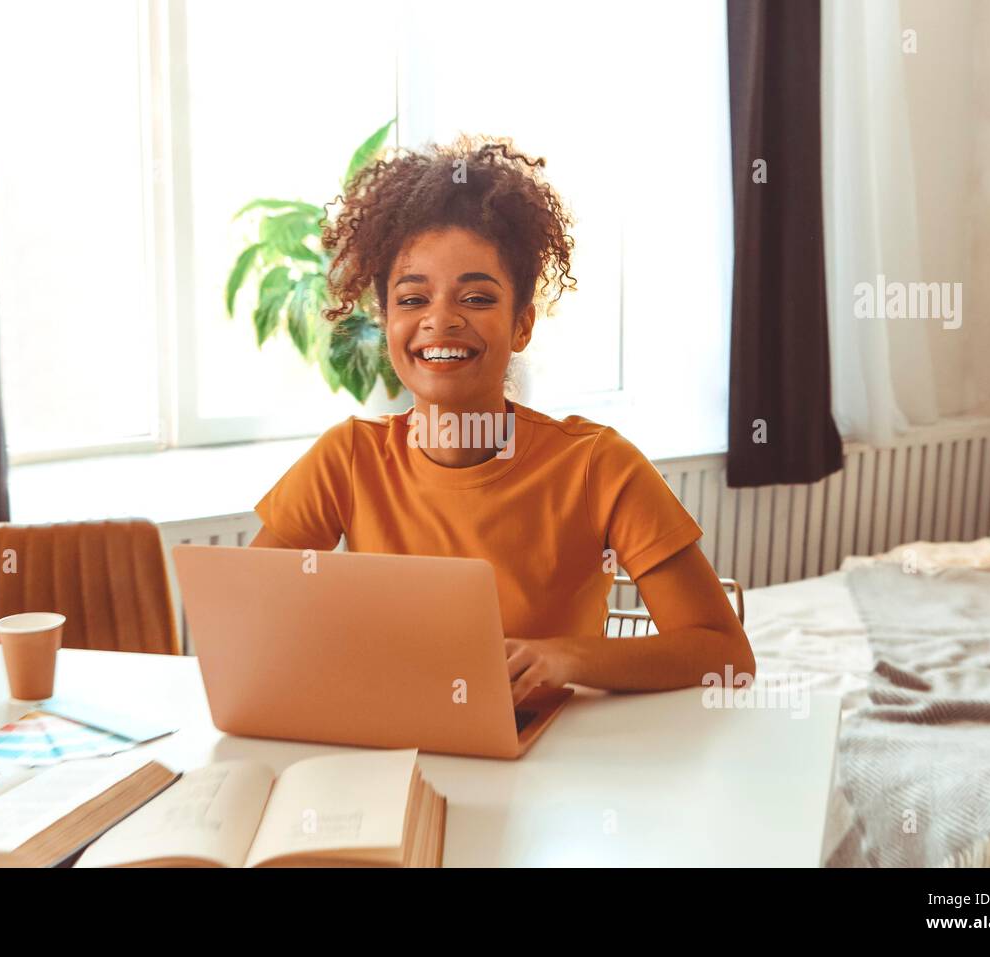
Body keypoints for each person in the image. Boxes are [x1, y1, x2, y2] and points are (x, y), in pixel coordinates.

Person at [251, 138, 754, 705]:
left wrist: (561, 657)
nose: (441, 320)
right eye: (413, 300)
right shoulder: (345, 459)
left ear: (522, 326)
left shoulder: (596, 465)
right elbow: (247, 625)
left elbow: (725, 656)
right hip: (397, 750)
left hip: (551, 763)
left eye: (476, 298)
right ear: (386, 320)